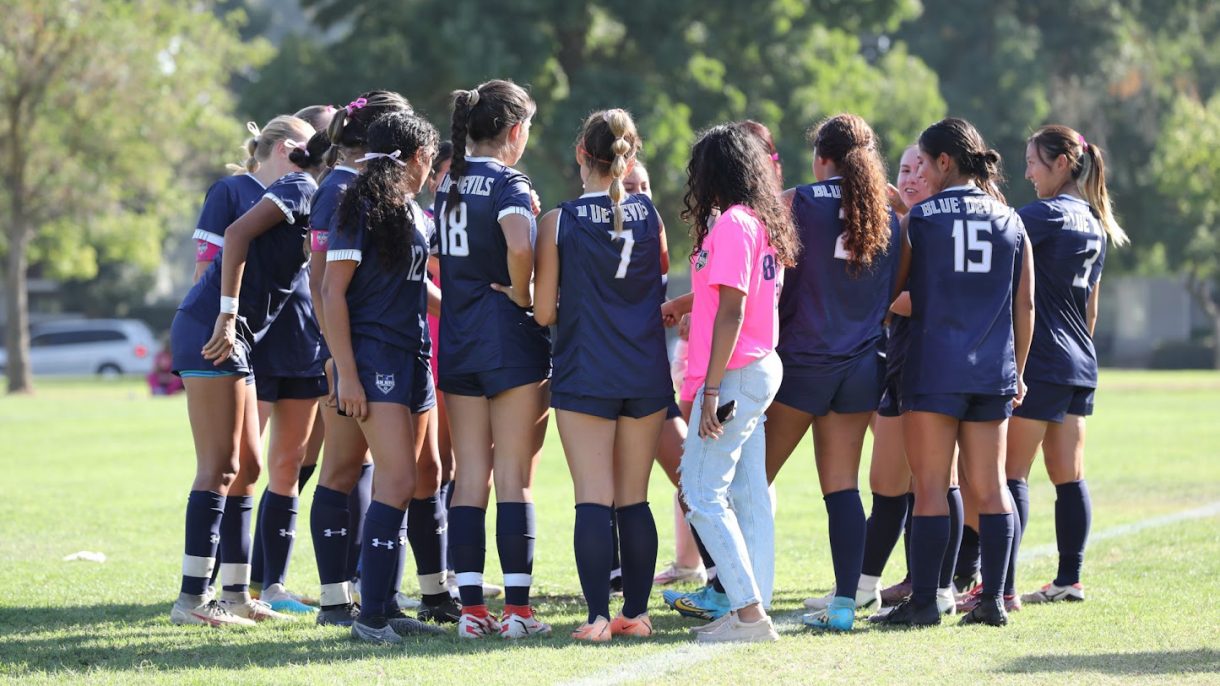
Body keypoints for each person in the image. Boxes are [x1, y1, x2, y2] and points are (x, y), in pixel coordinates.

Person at [878, 117, 1035, 628]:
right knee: (991, 488)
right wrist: (1019, 370)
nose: (919, 170)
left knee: (929, 487)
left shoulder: (919, 220)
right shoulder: (1012, 220)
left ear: (944, 162)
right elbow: (1026, 305)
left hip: (933, 369)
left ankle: (925, 602)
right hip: (993, 371)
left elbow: (892, 290)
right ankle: (993, 601)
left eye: (923, 161)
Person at [168, 114, 316, 627]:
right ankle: (191, 601)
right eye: (305, 145)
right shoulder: (263, 187)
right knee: (219, 468)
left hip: (243, 340)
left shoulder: (310, 192)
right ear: (283, 149)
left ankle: (235, 593)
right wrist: (226, 315)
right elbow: (222, 246)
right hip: (213, 332)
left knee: (248, 470)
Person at [533, 108, 670, 641]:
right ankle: (635, 613)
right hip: (644, 372)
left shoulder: (559, 220)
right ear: (628, 156)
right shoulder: (651, 216)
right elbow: (652, 279)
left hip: (587, 370)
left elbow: (544, 312)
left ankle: (595, 619)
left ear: (580, 155)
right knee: (634, 497)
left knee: (593, 495)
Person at [761, 114, 898, 632]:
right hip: (862, 365)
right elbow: (891, 295)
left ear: (823, 157)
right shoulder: (888, 215)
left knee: (751, 483)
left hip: (802, 363)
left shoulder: (796, 201)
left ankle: (733, 593)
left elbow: (768, 277)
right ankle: (844, 605)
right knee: (842, 487)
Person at [322, 110, 447, 644]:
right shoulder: (362, 206)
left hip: (413, 353)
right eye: (428, 160)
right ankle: (368, 617)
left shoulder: (413, 211)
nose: (430, 170)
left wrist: (467, 308)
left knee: (421, 475)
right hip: (376, 358)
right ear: (418, 158)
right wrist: (346, 374)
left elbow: (414, 288)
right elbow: (331, 292)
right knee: (394, 479)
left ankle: (386, 604)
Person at [433, 79, 552, 639]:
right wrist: (525, 294)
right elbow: (521, 244)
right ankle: (519, 613)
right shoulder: (510, 181)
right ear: (514, 130)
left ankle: (472, 611)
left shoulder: (446, 183)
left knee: (469, 478)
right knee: (513, 477)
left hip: (457, 342)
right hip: (506, 339)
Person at [672, 123, 799, 643]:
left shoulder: (733, 225)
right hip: (757, 365)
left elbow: (732, 311)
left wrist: (711, 390)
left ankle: (747, 612)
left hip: (735, 373)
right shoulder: (763, 222)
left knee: (700, 493)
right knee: (747, 494)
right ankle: (756, 606)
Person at [1007, 125, 1126, 605]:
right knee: (1069, 476)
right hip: (1080, 361)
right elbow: (1091, 310)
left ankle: (999, 586)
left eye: (1034, 161)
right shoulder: (1095, 223)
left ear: (1061, 163)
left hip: (1043, 361)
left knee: (1009, 475)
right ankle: (1068, 580)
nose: (1028, 172)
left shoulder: (1042, 216)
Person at [247, 129, 331, 615]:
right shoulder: (242, 192)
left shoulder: (319, 193)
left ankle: (272, 585)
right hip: (257, 344)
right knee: (240, 467)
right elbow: (224, 256)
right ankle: (223, 583)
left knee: (287, 467)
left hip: (302, 343)